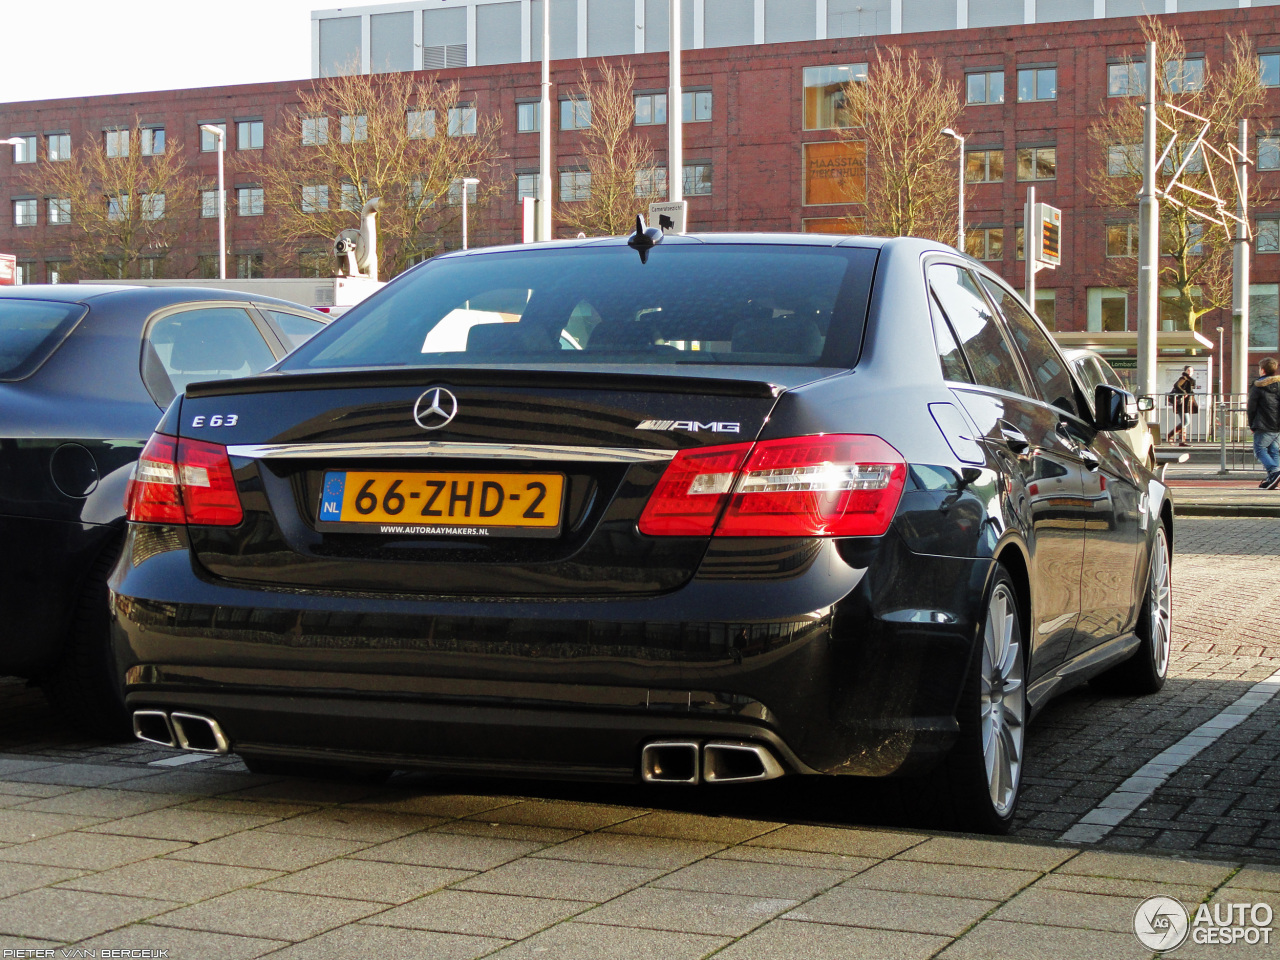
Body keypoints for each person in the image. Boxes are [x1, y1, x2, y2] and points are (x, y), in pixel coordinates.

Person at [1247, 357, 1280, 489]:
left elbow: (1252, 407)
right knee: (1274, 451)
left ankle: (1274, 471)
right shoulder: (1278, 385)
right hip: (1277, 424)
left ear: (1262, 370)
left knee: (1259, 450)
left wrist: (1251, 424)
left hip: (1263, 423)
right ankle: (1273, 479)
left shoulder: (1257, 386)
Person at [1166, 366, 1197, 447]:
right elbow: (1176, 385)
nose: (1190, 371)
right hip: (1181, 403)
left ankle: (1181, 442)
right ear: (1185, 371)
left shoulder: (1189, 380)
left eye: (1191, 370)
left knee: (1185, 422)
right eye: (1188, 370)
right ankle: (1170, 436)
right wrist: (1184, 392)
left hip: (1185, 404)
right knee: (1186, 421)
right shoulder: (1184, 378)